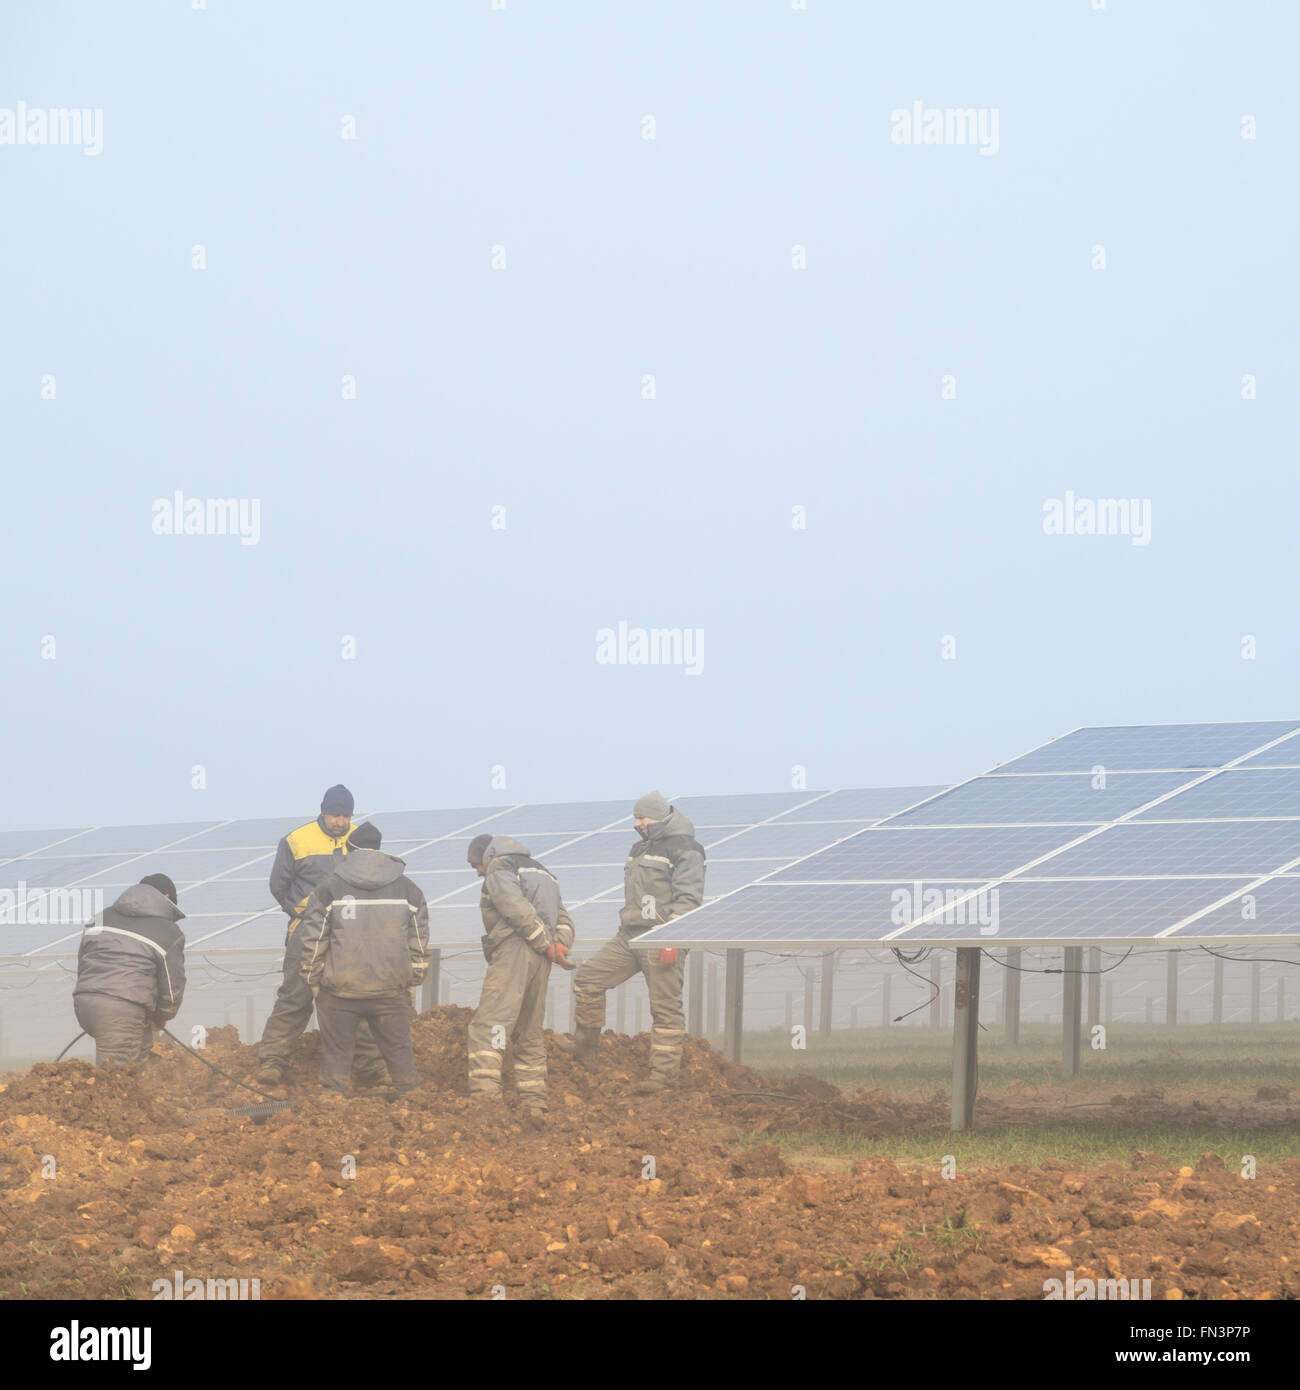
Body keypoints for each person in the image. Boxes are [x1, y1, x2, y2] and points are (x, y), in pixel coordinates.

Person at [570, 792, 706, 1092]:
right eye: (635, 818)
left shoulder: (687, 849)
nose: (637, 824)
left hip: (661, 938)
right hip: (630, 936)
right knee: (588, 980)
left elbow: (689, 899)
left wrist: (672, 938)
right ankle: (584, 1055)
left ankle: (663, 1077)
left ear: (659, 817)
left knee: (665, 1007)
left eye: (641, 818)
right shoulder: (640, 848)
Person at [256, 785, 387, 1086]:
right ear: (323, 812)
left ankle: (370, 1066)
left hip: (350, 930)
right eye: (335, 815)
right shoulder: (296, 841)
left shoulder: (359, 839)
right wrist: (302, 911)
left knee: (357, 994)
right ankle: (273, 1060)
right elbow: (279, 886)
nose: (341, 822)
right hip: (307, 929)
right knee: (296, 994)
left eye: (346, 816)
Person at [298, 823, 429, 1093]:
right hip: (390, 988)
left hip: (340, 990)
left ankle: (333, 1099)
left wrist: (312, 977)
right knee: (399, 1050)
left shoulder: (328, 889)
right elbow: (418, 938)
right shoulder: (409, 890)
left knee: (336, 1052)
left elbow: (315, 937)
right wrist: (414, 975)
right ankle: (410, 1096)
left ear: (349, 850)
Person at [465, 833, 575, 1126]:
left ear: (487, 856)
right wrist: (557, 945)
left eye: (476, 865)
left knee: (490, 1024)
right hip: (542, 959)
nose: (478, 872)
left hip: (515, 951)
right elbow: (564, 918)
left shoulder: (499, 868)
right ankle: (534, 1103)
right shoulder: (543, 872)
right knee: (528, 1030)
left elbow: (515, 908)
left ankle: (486, 1103)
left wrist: (544, 943)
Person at [72, 873, 186, 1065]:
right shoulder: (169, 932)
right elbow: (172, 985)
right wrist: (162, 1015)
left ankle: (144, 1082)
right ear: (166, 898)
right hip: (121, 1010)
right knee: (116, 1074)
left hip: (85, 1003)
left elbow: (84, 962)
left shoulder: (100, 918)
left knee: (140, 1050)